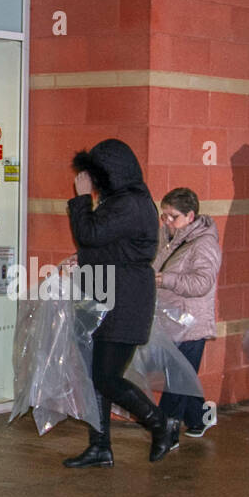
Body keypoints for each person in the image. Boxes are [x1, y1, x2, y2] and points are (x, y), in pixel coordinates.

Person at [63, 139, 175, 468]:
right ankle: (100, 446)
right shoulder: (126, 201)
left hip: (124, 299)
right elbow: (110, 246)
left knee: (107, 377)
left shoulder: (130, 203)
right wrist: (81, 258)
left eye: (97, 176)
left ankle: (159, 424)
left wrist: (82, 197)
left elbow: (90, 233)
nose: (94, 183)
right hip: (112, 295)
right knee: (98, 375)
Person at [152, 187, 221, 437]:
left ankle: (164, 434)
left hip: (191, 324)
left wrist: (165, 280)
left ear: (190, 216)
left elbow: (202, 283)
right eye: (164, 215)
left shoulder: (204, 244)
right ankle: (198, 418)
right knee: (182, 376)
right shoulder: (168, 237)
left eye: (173, 217)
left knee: (177, 381)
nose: (167, 222)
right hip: (171, 320)